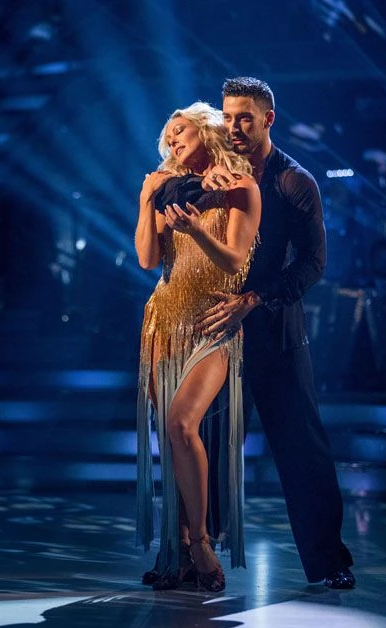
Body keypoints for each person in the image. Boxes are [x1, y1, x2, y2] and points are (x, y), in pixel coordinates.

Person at [197, 77, 356, 589]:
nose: (233, 126)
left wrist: (253, 300)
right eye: (227, 116)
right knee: (207, 444)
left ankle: (329, 562)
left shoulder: (294, 181)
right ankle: (196, 555)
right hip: (217, 330)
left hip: (275, 331)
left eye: (244, 117)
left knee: (301, 446)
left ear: (268, 119)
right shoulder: (215, 171)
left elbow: (313, 264)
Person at [134, 101, 261, 592]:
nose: (172, 139)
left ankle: (202, 541)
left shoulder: (240, 187)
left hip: (214, 322)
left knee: (181, 423)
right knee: (172, 439)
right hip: (164, 321)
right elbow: (147, 259)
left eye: (180, 129)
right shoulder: (167, 189)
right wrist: (146, 198)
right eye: (168, 135)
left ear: (206, 131)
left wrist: (194, 231)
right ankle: (178, 547)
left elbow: (234, 263)